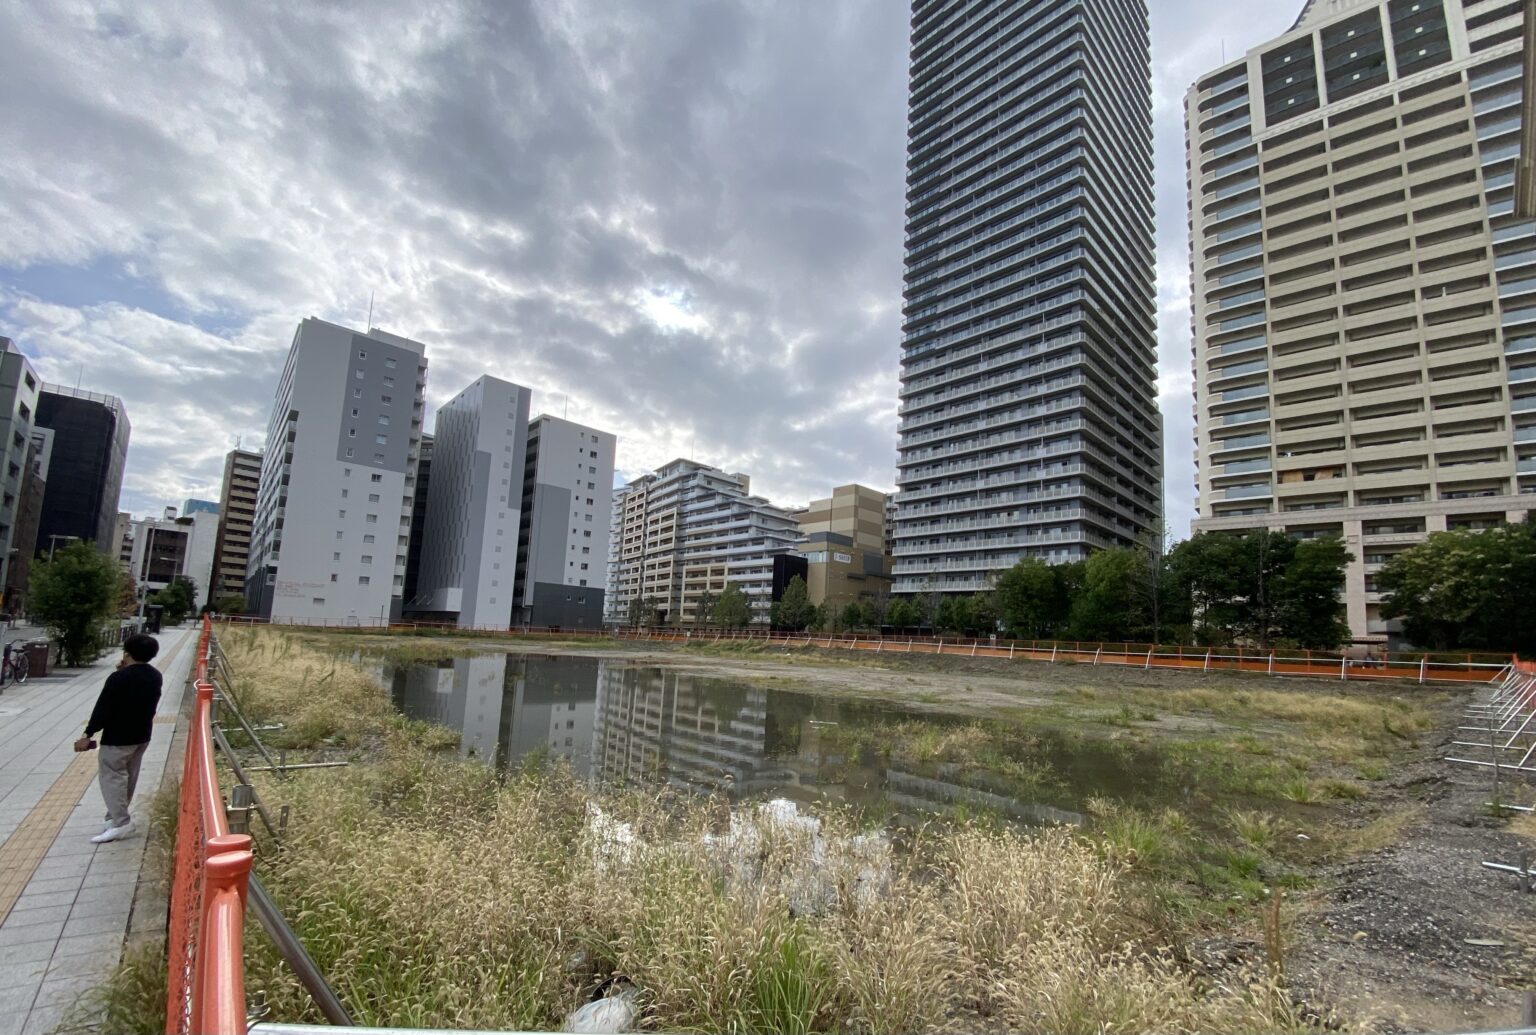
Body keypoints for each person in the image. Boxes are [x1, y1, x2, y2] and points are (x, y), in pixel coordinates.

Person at [75, 633, 162, 844]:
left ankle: (121, 822)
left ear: (127, 653)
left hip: (118, 737)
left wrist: (88, 734)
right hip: (142, 735)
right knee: (128, 778)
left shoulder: (119, 678)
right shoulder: (155, 675)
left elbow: (103, 708)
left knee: (112, 778)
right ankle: (114, 817)